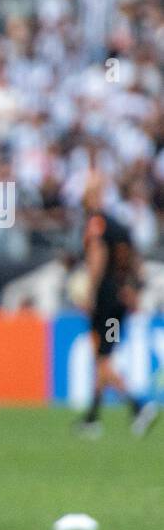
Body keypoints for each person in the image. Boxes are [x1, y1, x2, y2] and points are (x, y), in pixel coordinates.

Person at [76, 186, 158, 437]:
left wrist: (89, 291)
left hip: (106, 300)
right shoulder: (120, 226)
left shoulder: (97, 223)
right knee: (104, 356)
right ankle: (92, 418)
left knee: (102, 359)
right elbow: (136, 262)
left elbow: (97, 256)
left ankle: (138, 406)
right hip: (120, 300)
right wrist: (132, 288)